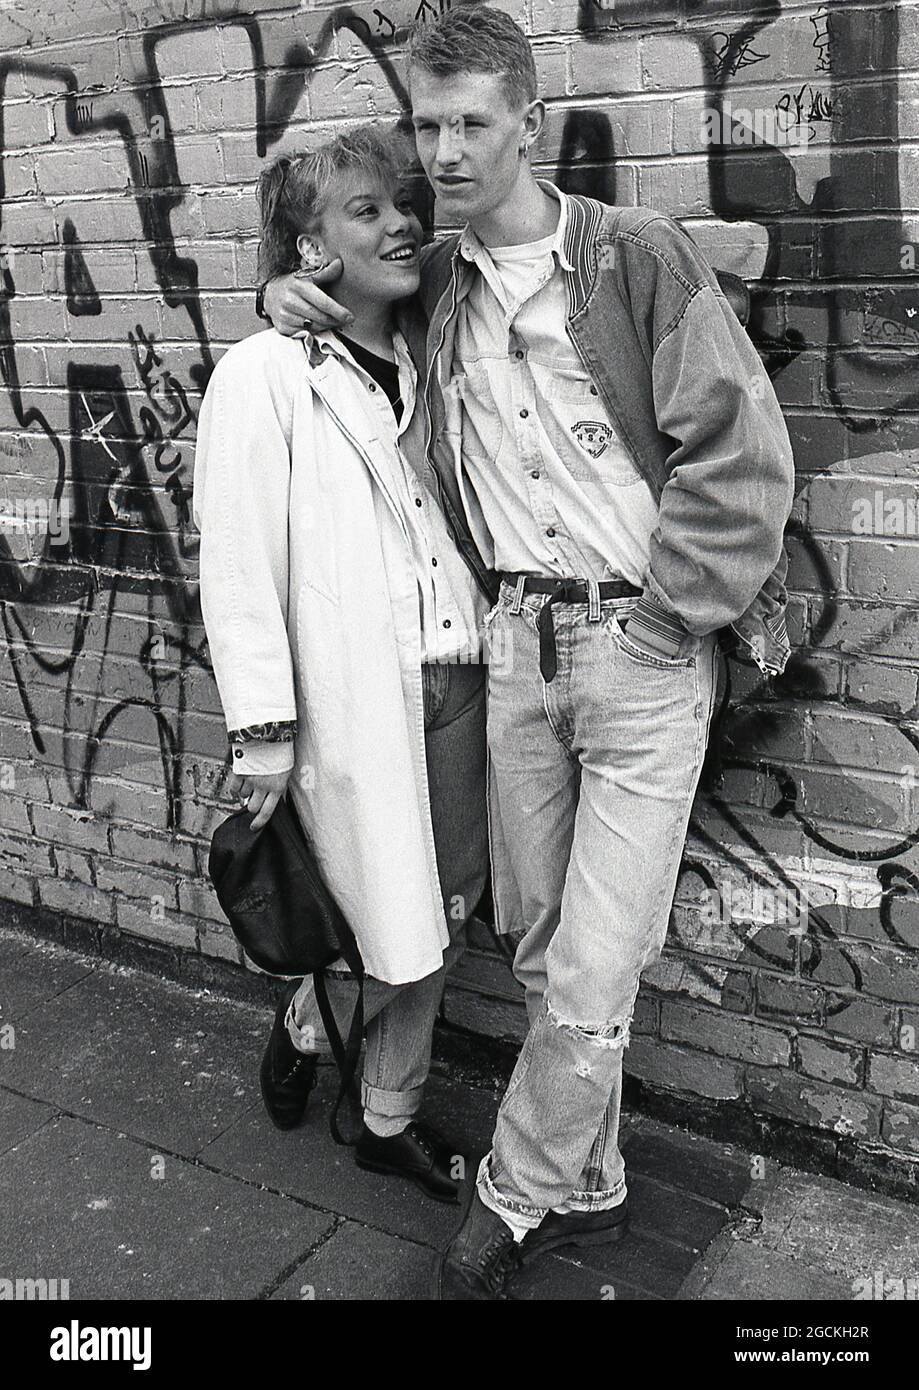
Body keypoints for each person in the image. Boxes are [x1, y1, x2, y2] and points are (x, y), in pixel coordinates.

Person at [263, 6, 795, 1298]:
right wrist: (286, 295)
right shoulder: (437, 283)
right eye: (427, 125)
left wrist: (669, 614)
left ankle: (509, 1197)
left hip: (639, 646)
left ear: (527, 124)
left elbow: (738, 451)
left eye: (470, 123)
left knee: (596, 962)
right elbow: (337, 299)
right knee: (548, 950)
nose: (444, 152)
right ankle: (591, 1184)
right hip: (512, 646)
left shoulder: (631, 258)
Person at [192, 125, 490, 1206]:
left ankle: (344, 1067)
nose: (403, 222)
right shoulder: (262, 375)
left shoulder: (428, 347)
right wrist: (264, 732)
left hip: (463, 677)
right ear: (310, 248)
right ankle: (367, 1093)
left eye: (403, 204)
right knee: (388, 919)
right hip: (355, 695)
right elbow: (237, 564)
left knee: (440, 913)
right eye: (367, 211)